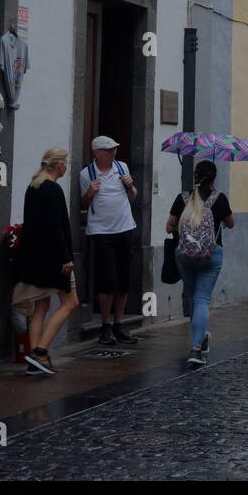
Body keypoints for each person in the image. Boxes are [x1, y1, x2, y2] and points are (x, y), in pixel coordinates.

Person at [13, 148, 78, 375]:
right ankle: (40, 351)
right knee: (71, 302)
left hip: (34, 255)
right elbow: (56, 227)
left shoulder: (33, 187)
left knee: (40, 305)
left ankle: (34, 362)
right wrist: (66, 257)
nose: (66, 167)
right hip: (54, 257)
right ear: (59, 165)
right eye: (66, 163)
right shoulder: (53, 189)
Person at [166, 160, 234, 366]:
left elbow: (169, 228)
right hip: (210, 256)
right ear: (213, 178)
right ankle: (196, 348)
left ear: (195, 177)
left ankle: (201, 338)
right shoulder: (219, 199)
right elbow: (231, 224)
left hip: (184, 256)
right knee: (202, 299)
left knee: (193, 296)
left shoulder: (182, 198)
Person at [78, 135, 139, 346]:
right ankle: (105, 326)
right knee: (107, 281)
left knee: (123, 281)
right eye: (109, 150)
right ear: (97, 153)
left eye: (114, 149)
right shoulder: (87, 174)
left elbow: (133, 196)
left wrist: (131, 186)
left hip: (125, 228)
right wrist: (89, 193)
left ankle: (118, 325)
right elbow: (83, 203)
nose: (113, 153)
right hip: (101, 232)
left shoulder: (122, 168)